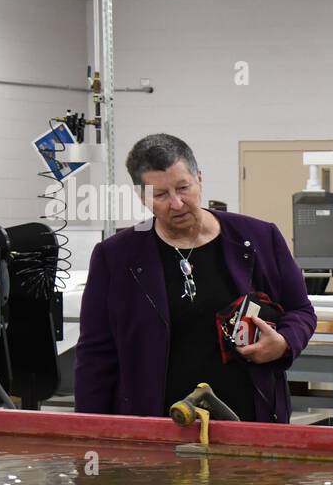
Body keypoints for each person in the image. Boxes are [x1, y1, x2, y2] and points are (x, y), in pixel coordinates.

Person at [75, 133, 316, 423]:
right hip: (156, 426)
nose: (176, 203)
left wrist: (285, 342)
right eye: (161, 195)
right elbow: (96, 354)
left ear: (199, 178)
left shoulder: (259, 238)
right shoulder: (116, 257)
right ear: (142, 197)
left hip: (249, 418)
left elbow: (300, 310)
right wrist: (89, 433)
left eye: (183, 187)